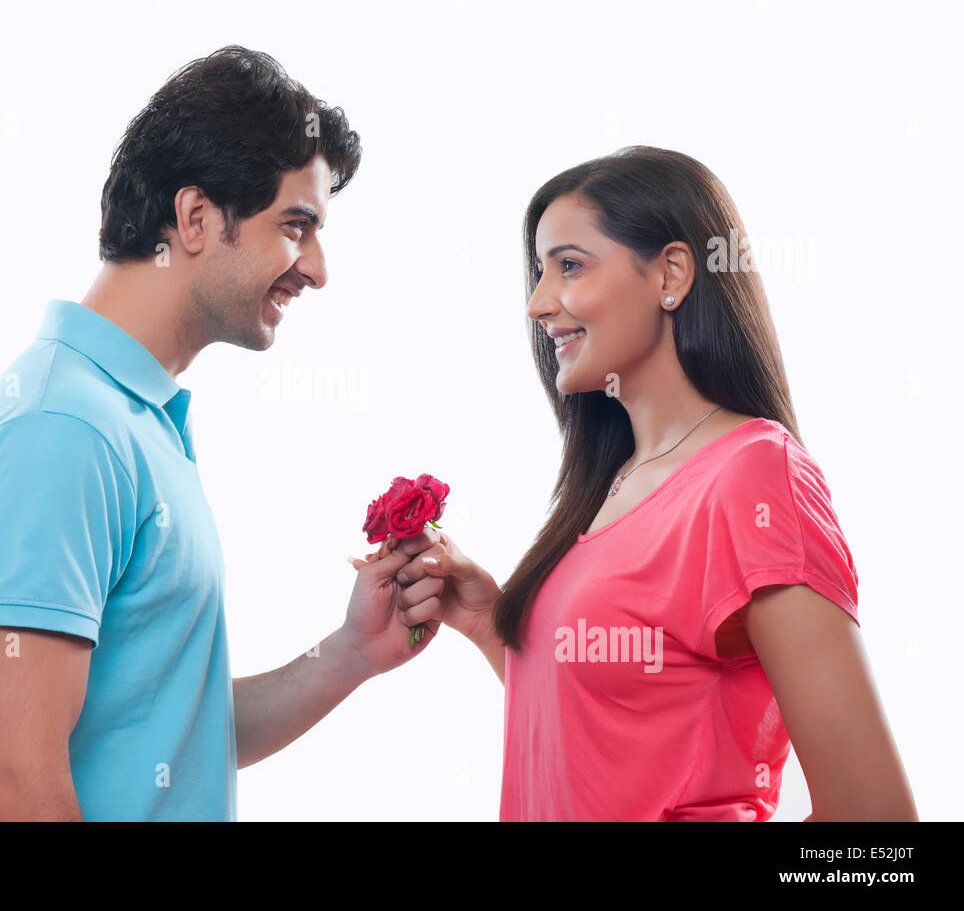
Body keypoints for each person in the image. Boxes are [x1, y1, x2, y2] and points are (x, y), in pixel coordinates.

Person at [0, 46, 443, 820]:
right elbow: (13, 781)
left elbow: (165, 740)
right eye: (296, 226)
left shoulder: (130, 420)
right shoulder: (65, 430)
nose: (318, 268)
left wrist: (347, 656)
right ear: (196, 217)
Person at [364, 146, 918, 821]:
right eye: (539, 272)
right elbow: (617, 729)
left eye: (569, 265)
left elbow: (876, 829)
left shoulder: (755, 476)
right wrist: (489, 625)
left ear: (672, 274)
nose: (539, 303)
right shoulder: (613, 483)